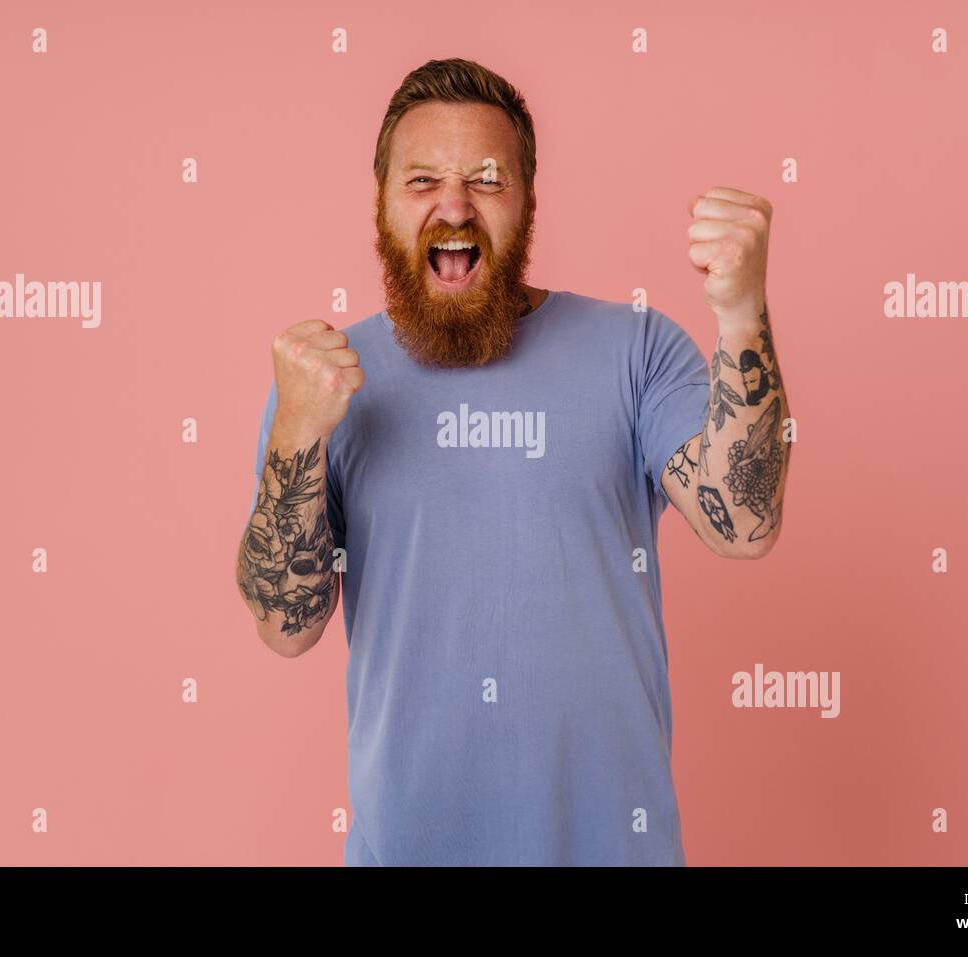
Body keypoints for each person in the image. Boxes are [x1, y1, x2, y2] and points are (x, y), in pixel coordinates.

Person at [235, 57, 791, 866]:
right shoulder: (323, 383)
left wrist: (741, 313)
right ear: (383, 205)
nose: (453, 204)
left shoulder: (633, 349)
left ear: (528, 203)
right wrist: (296, 432)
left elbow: (744, 524)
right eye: (422, 178)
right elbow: (286, 628)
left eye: (488, 180)